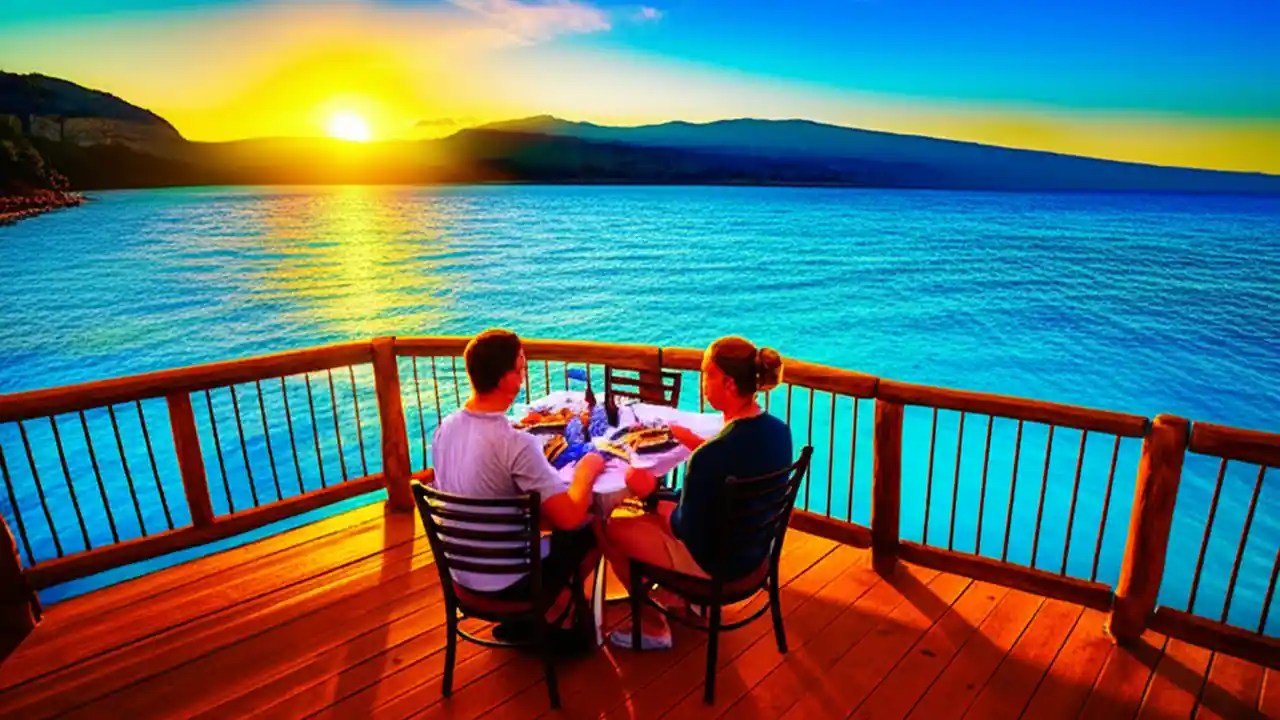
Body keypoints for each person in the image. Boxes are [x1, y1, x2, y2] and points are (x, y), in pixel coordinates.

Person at [603, 336, 792, 649]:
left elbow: (683, 527)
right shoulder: (778, 431)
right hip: (755, 553)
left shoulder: (711, 456)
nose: (703, 383)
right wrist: (692, 445)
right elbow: (734, 463)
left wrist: (652, 494)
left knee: (609, 526)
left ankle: (653, 627)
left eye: (708, 375)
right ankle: (675, 595)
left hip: (717, 564)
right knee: (658, 508)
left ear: (729, 384)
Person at [431, 329, 608, 648]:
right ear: (504, 380)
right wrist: (587, 470)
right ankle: (559, 620)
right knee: (591, 525)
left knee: (548, 522)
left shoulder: (446, 428)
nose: (524, 373)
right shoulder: (516, 443)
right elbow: (567, 517)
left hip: (460, 573)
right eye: (521, 367)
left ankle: (535, 618)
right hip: (511, 583)